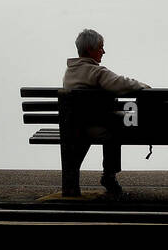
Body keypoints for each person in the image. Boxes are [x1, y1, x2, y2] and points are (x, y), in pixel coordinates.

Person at [61, 28, 150, 196]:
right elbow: (120, 83)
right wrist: (144, 87)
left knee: (115, 123)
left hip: (74, 127)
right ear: (90, 50)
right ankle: (109, 174)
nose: (103, 51)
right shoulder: (95, 72)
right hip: (93, 127)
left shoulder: (70, 72)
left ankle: (101, 177)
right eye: (100, 47)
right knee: (118, 127)